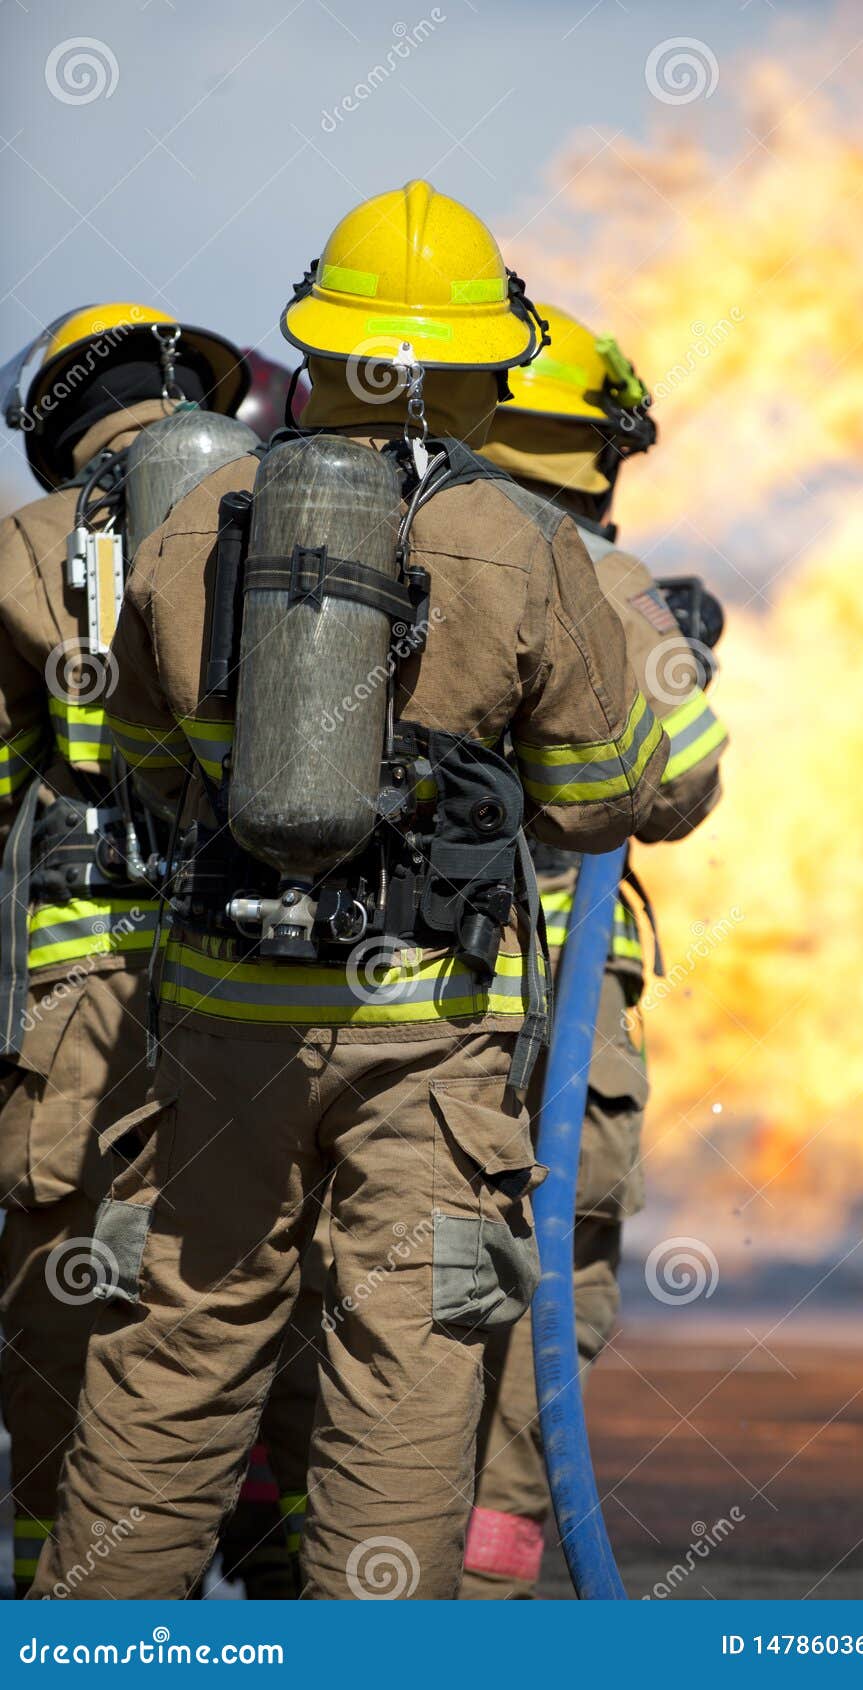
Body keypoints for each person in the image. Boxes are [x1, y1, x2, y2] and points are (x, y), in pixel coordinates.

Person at [30, 181, 668, 1601]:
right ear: (479, 371)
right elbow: (601, 794)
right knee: (403, 1376)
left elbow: (140, 753)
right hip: (427, 1036)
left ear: (315, 355)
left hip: (212, 1025)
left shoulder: (198, 515)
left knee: (175, 1354)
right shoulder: (526, 547)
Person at [461, 305, 727, 1598]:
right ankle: (480, 1614)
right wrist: (676, 655)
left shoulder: (387, 537)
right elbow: (675, 783)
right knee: (530, 1321)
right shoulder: (593, 573)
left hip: (360, 1016)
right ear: (591, 445)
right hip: (546, 1025)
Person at [0, 303, 248, 1594]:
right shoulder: (304, 516)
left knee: (68, 1307)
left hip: (84, 1010)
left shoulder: (26, 552)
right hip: (287, 997)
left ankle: (76, 1608)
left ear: (53, 419)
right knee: (259, 1297)